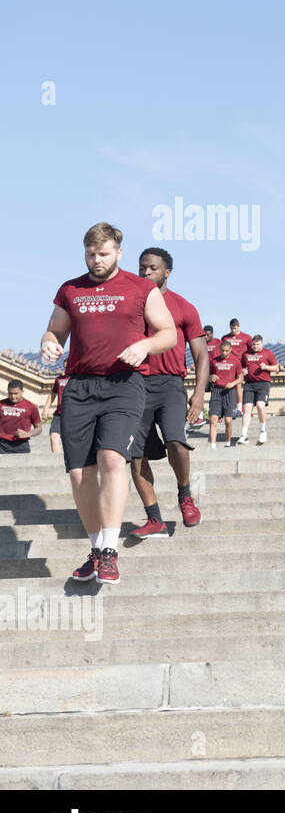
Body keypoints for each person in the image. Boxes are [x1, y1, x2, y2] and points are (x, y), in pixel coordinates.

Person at [41, 222, 177, 586]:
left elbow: (168, 332)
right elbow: (55, 329)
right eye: (90, 254)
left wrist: (145, 346)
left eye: (103, 254)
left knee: (112, 458)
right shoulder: (70, 290)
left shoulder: (141, 288)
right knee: (78, 473)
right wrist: (50, 342)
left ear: (119, 251)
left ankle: (110, 550)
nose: (96, 260)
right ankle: (95, 548)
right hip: (80, 386)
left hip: (123, 385)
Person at [126, 247, 207, 538]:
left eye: (153, 268)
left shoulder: (184, 307)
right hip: (134, 386)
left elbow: (202, 356)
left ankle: (185, 496)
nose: (146, 272)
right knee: (134, 456)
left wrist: (198, 394)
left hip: (171, 385)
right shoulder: (130, 304)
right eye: (142, 267)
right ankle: (154, 519)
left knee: (176, 440)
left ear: (167, 272)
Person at [237, 335, 278, 445]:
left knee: (260, 405)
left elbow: (276, 368)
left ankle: (263, 431)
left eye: (257, 344)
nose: (255, 346)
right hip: (249, 384)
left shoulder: (268, 353)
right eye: (254, 344)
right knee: (247, 408)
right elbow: (240, 368)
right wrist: (243, 371)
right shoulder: (246, 354)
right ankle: (244, 435)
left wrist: (266, 367)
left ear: (262, 344)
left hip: (263, 384)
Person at [208, 339, 243, 448]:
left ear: (230, 350)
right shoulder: (213, 361)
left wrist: (232, 383)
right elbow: (209, 376)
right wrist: (211, 377)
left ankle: (227, 443)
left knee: (228, 420)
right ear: (219, 349)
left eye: (227, 351)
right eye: (222, 350)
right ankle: (212, 447)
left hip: (229, 392)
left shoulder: (236, 361)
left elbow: (241, 378)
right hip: (216, 392)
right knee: (213, 419)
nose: (224, 353)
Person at [0, 381, 42, 454]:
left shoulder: (31, 407)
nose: (13, 396)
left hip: (22, 446)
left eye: (16, 393)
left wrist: (28, 434)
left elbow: (39, 428)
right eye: (10, 393)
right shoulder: (1, 404)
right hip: (2, 445)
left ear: (22, 391)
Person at [40, 374, 70, 455]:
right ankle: (57, 460)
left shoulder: (78, 378)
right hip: (59, 414)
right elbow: (52, 394)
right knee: (53, 437)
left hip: (74, 415)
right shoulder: (59, 379)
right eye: (65, 366)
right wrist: (45, 409)